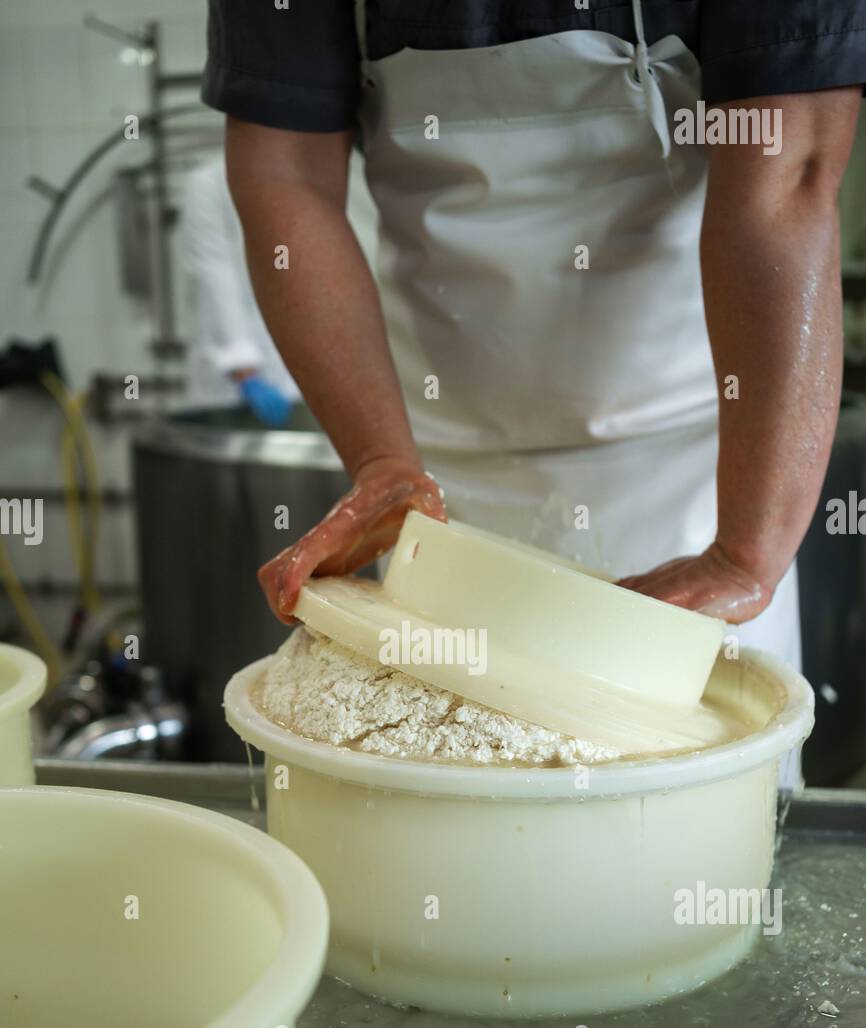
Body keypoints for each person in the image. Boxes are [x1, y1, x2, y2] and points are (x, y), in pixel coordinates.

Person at [201, 1, 863, 672]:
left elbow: (790, 169)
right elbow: (285, 174)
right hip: (430, 478)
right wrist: (380, 463)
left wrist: (746, 555)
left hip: (707, 477)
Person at [181, 156, 301, 425]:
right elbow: (212, 275)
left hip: (294, 376)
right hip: (235, 383)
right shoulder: (210, 183)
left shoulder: (301, 182)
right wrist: (244, 368)